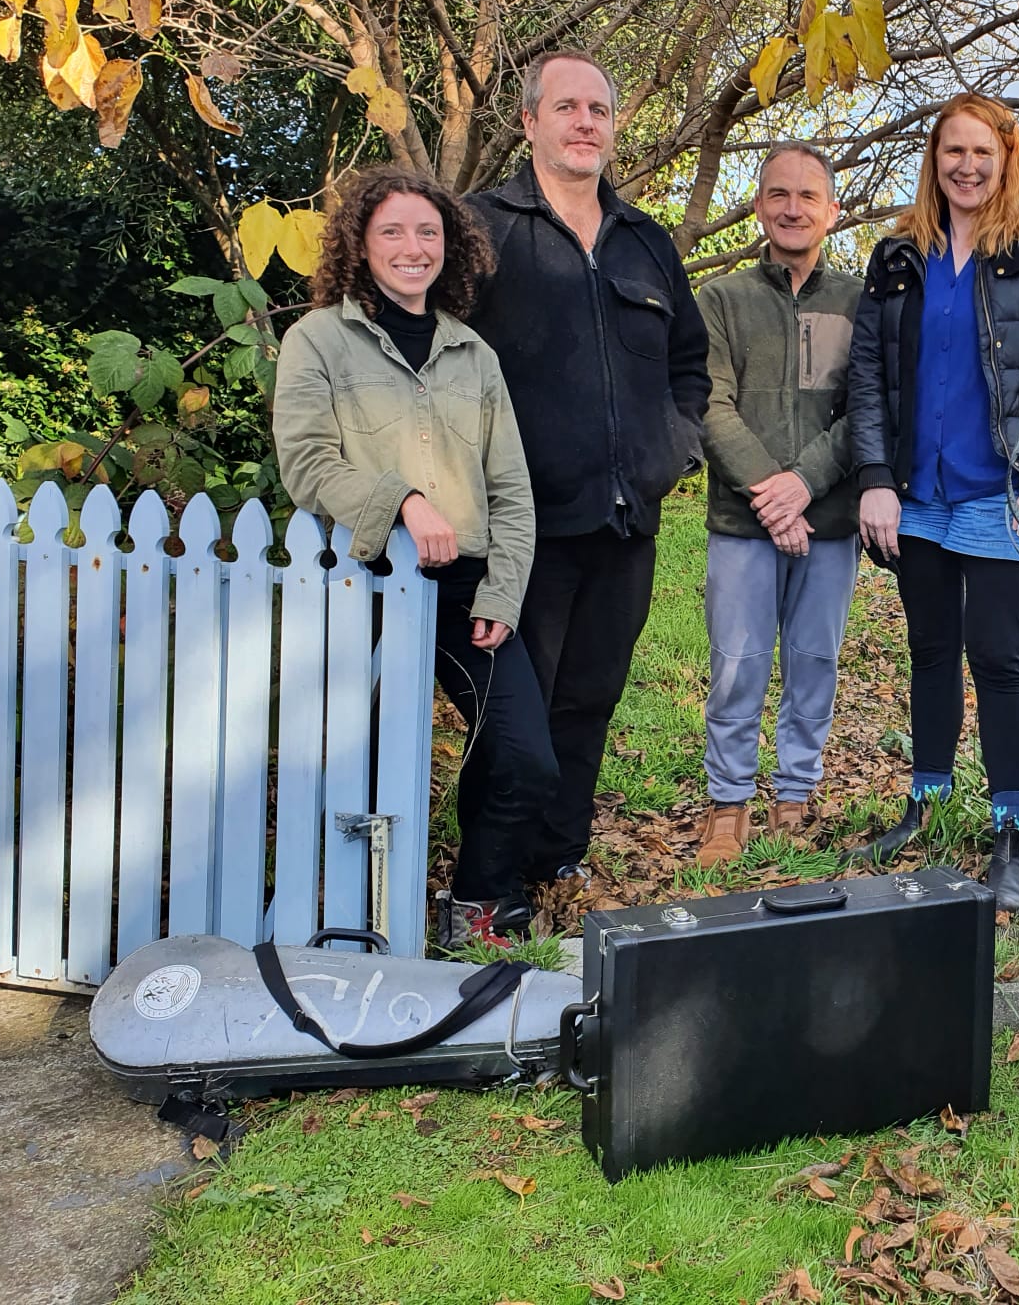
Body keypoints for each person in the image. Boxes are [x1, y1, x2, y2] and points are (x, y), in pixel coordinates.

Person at [274, 166, 554, 952]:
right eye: (392, 230)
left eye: (428, 231)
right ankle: (350, 923)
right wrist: (401, 500)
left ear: (450, 246)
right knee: (357, 764)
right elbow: (305, 462)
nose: (412, 246)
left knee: (525, 757)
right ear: (360, 243)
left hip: (464, 587)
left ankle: (475, 904)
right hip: (363, 579)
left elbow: (511, 490)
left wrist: (501, 593)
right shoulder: (318, 340)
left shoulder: (473, 355)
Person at [466, 50, 711, 891]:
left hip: (623, 522)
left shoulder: (644, 243)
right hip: (521, 524)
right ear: (530, 121)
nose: (585, 123)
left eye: (598, 110)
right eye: (565, 107)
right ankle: (490, 884)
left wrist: (668, 454)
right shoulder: (481, 229)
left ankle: (557, 862)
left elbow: (690, 364)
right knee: (517, 714)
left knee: (589, 702)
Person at [847, 94, 1019, 913]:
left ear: (1007, 155)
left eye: (982, 151)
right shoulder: (899, 257)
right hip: (916, 494)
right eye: (953, 151)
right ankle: (927, 799)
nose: (967, 166)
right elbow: (870, 382)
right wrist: (875, 477)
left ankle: (1011, 830)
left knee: (998, 656)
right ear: (935, 158)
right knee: (929, 650)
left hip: (1002, 492)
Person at [691, 143, 864, 866]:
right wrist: (772, 491)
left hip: (828, 525)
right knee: (737, 662)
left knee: (814, 659)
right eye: (777, 194)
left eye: (807, 195)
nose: (792, 208)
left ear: (832, 209)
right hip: (743, 522)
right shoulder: (722, 300)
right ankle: (728, 803)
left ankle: (795, 794)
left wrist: (806, 487)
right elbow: (708, 402)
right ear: (759, 204)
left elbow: (869, 410)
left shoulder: (860, 303)